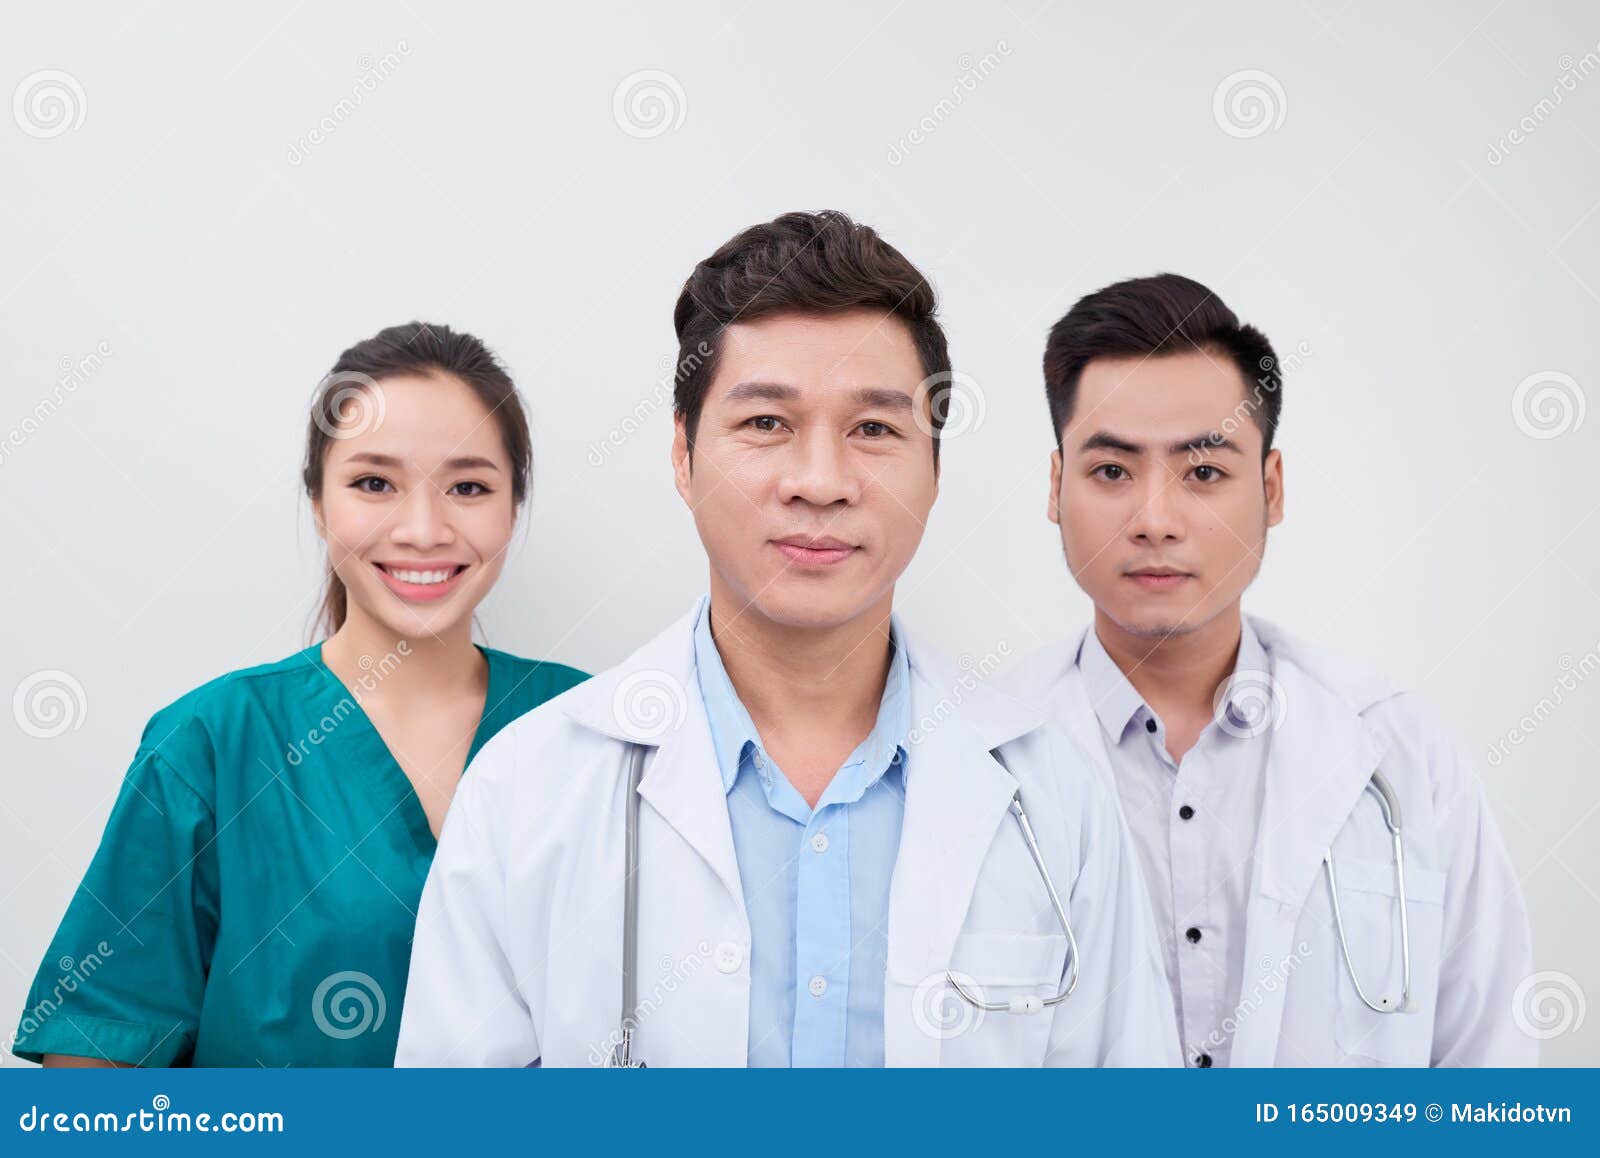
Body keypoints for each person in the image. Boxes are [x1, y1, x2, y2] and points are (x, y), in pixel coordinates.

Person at [395, 211, 1179, 1067]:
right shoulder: (529, 789)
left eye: (874, 429)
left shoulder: (1054, 798)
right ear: (683, 456)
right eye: (766, 423)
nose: (820, 482)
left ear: (936, 469)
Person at [11, 323, 587, 1067]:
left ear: (513, 507)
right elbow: (96, 1056)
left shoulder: (590, 728)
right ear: (319, 503)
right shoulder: (211, 744)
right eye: (374, 483)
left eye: (469, 487)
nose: (422, 529)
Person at [1003, 273, 1535, 1066]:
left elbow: (1488, 1062)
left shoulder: (1401, 751)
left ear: (1271, 487)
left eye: (1205, 473)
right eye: (1112, 471)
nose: (1155, 521)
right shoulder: (980, 752)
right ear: (1056, 488)